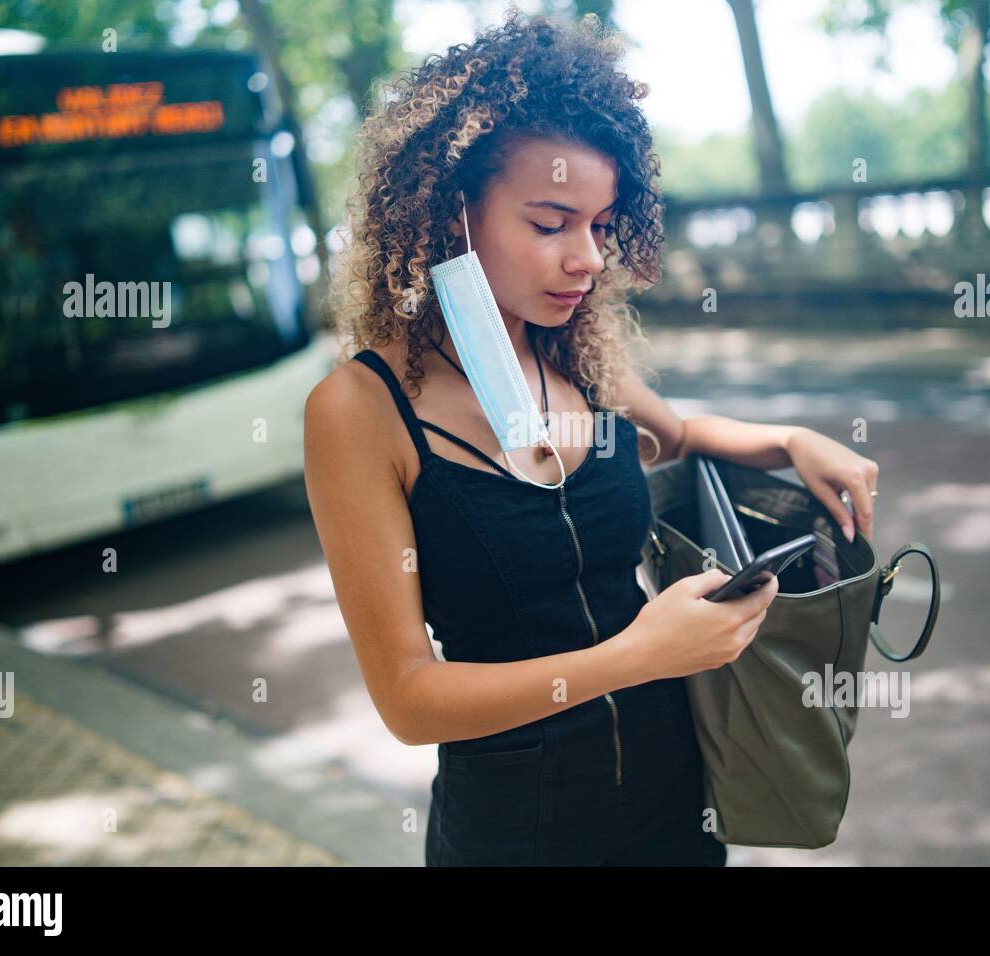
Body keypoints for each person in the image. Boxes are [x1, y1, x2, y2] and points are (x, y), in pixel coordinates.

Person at [303, 9, 879, 866]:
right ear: (447, 217)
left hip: (680, 816)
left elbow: (679, 435)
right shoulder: (357, 410)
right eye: (549, 224)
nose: (589, 259)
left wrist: (789, 439)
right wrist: (636, 655)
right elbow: (408, 698)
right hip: (514, 839)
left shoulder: (576, 357)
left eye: (601, 227)